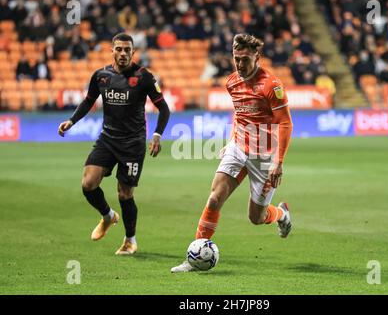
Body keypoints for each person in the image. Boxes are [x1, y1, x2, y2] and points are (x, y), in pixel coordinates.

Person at [171, 33, 293, 273]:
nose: (239, 64)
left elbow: (285, 123)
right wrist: (231, 141)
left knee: (256, 217)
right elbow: (239, 112)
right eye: (236, 58)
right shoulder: (231, 82)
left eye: (245, 59)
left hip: (264, 157)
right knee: (215, 197)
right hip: (239, 148)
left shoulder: (272, 85)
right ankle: (195, 256)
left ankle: (281, 214)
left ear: (256, 56)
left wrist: (278, 163)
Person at [58, 33, 170, 255]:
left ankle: (130, 240)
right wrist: (71, 120)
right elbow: (89, 100)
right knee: (88, 183)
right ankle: (108, 216)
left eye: (127, 50)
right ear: (112, 50)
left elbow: (164, 108)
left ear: (133, 52)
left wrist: (157, 134)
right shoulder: (101, 76)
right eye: (118, 49)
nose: (123, 54)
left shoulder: (144, 77)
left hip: (133, 143)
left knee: (124, 193)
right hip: (108, 139)